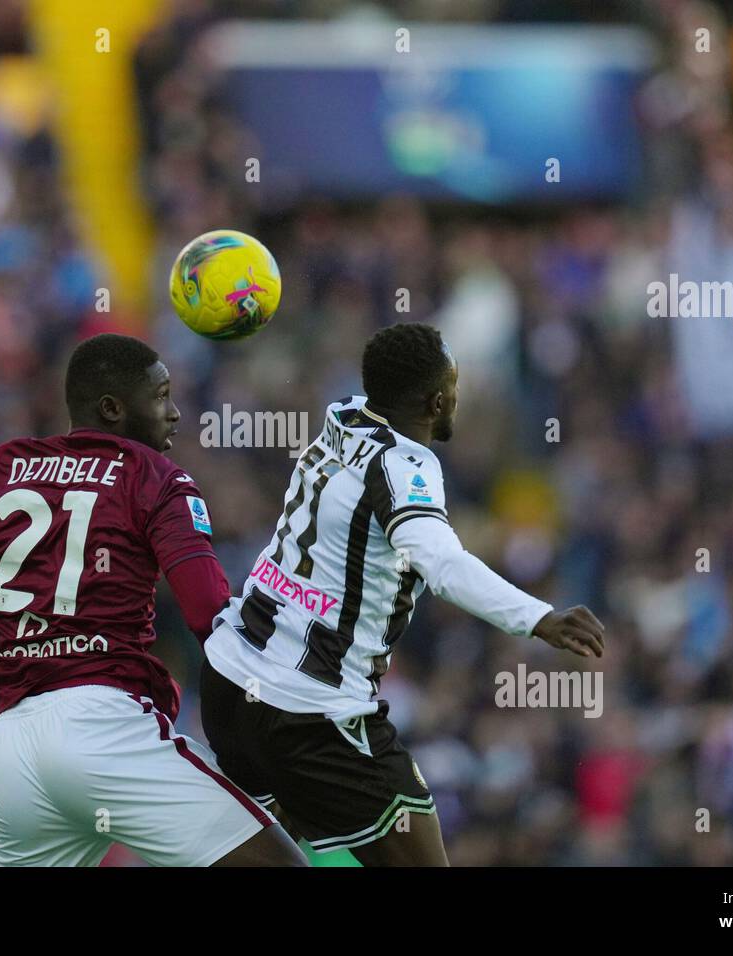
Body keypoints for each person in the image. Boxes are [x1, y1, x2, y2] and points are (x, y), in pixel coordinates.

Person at [0, 333, 305, 867]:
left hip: (13, 749)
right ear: (114, 408)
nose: (176, 413)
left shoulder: (2, 468)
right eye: (161, 396)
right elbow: (209, 614)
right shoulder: (157, 479)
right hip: (106, 726)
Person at [200, 322, 605, 865]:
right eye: (454, 383)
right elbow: (440, 564)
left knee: (265, 851)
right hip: (310, 708)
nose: (459, 393)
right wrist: (538, 618)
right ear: (436, 399)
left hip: (230, 678)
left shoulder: (342, 414)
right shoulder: (406, 466)